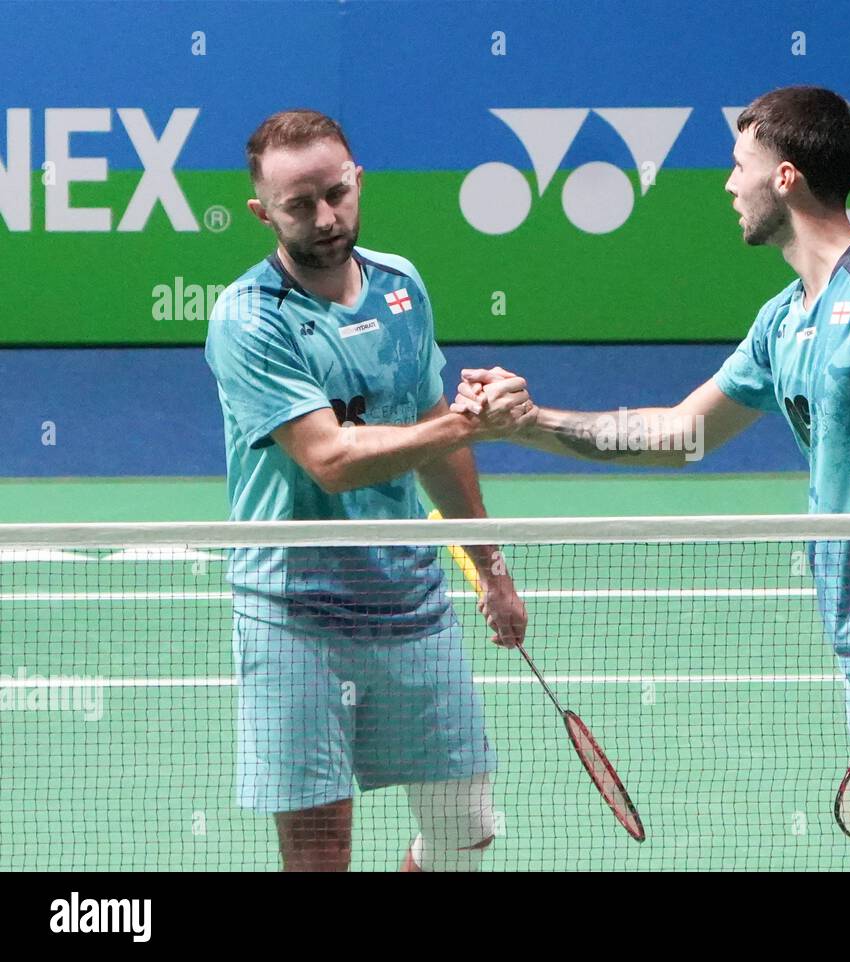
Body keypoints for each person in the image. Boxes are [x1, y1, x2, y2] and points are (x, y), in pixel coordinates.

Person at [455, 86, 850, 871]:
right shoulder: (784, 320)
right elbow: (676, 433)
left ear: (786, 177)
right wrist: (530, 423)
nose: (728, 185)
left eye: (738, 166)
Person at [205, 109, 536, 871]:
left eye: (337, 192)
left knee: (468, 831)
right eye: (299, 205)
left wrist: (492, 571)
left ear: (358, 180)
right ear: (263, 213)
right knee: (321, 851)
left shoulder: (400, 286)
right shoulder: (249, 319)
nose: (326, 218)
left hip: (407, 597)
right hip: (295, 612)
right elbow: (331, 458)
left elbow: (430, 441)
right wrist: (467, 423)